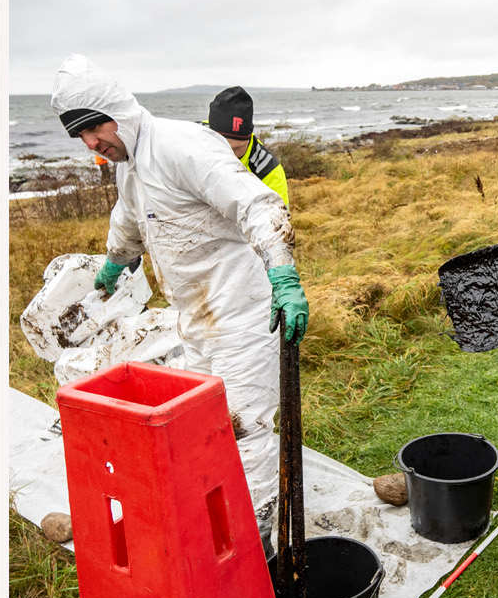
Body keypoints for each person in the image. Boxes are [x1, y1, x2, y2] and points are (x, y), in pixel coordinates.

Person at [53, 54, 309, 543]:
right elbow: (128, 219)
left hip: (244, 316)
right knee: (207, 427)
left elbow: (258, 203)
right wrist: (116, 260)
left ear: (118, 111)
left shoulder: (181, 146)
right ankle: (221, 525)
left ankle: (259, 548)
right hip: (196, 320)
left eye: (93, 128)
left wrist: (284, 278)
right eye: (80, 136)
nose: (91, 144)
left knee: (245, 430)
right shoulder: (129, 166)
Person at [204, 86, 290, 206]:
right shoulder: (191, 137)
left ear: (249, 138)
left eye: (236, 149)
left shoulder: (269, 173)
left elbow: (278, 222)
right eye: (222, 145)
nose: (229, 155)